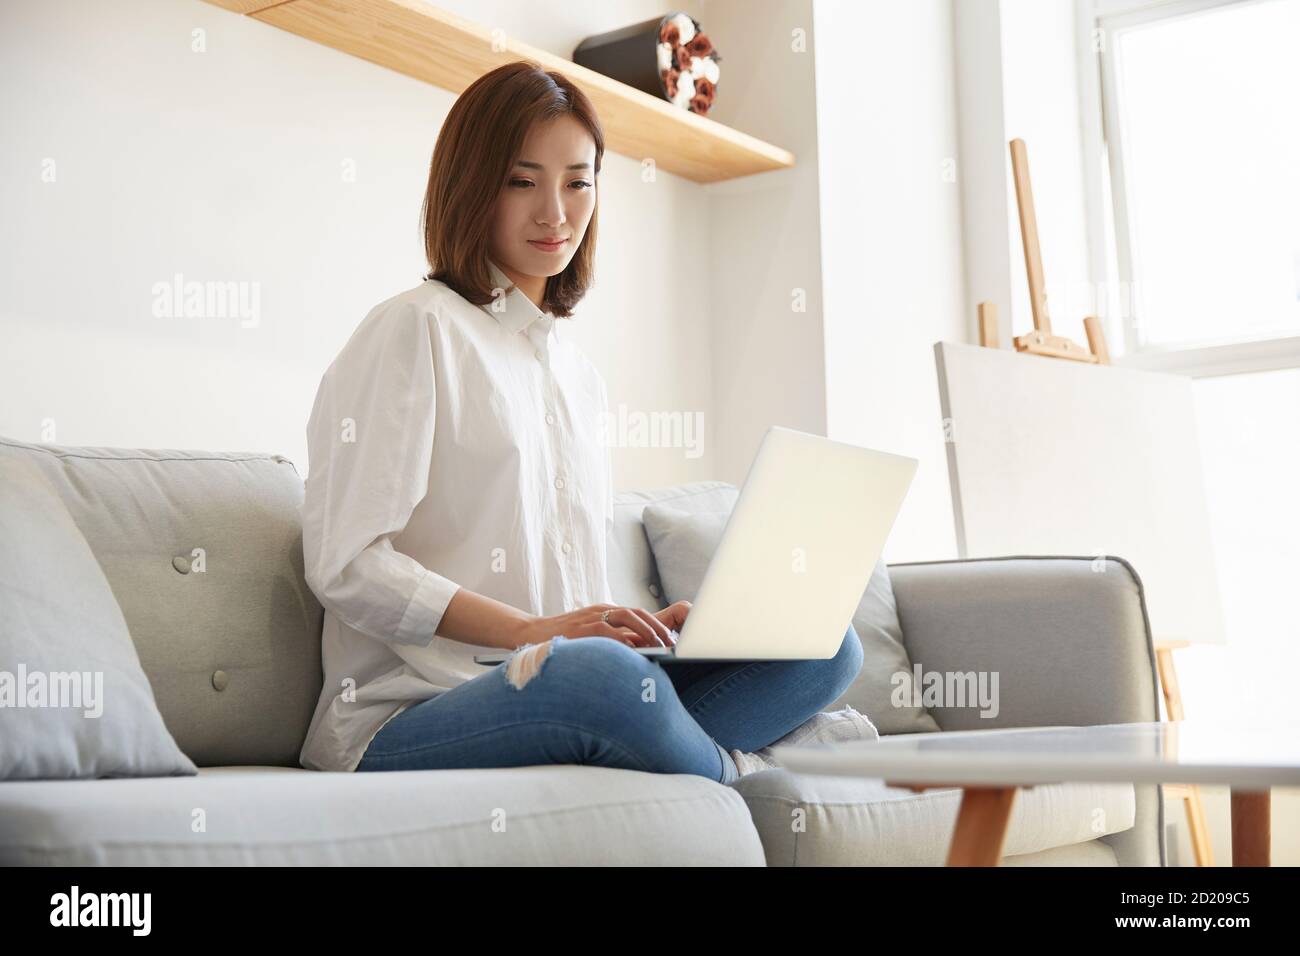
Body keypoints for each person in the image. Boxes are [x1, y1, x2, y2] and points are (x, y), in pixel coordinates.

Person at [297, 61, 868, 783]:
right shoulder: (414, 330)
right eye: (521, 180)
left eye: (578, 181)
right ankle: (731, 776)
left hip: (561, 681)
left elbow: (565, 595)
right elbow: (347, 565)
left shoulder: (577, 378)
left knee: (822, 640)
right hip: (409, 711)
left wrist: (648, 629)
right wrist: (536, 636)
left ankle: (681, 756)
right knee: (595, 681)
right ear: (472, 185)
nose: (555, 214)